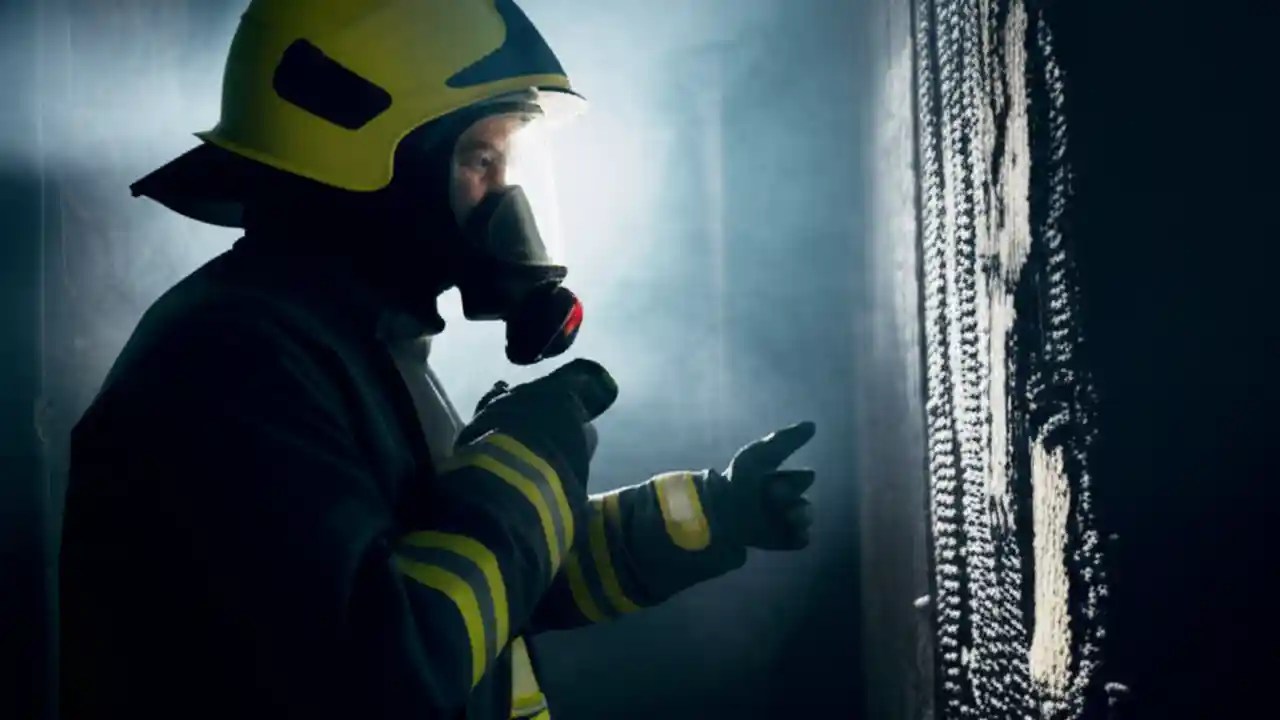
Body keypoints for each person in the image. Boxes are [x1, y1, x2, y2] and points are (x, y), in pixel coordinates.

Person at [58, 1, 817, 718]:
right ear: (372, 160)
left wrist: (709, 513)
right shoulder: (232, 368)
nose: (506, 196)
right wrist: (526, 464)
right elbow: (388, 669)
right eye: (481, 158)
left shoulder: (349, 345)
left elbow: (483, 586)